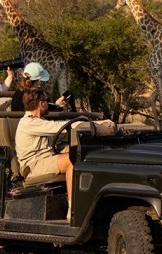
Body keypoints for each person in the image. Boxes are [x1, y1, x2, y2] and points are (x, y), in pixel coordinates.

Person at [16, 88, 112, 219]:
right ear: (41, 104)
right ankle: (73, 210)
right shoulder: (30, 123)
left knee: (73, 150)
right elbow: (61, 126)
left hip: (45, 159)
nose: (48, 104)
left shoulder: (39, 121)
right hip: (33, 166)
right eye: (46, 101)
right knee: (73, 160)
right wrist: (94, 124)